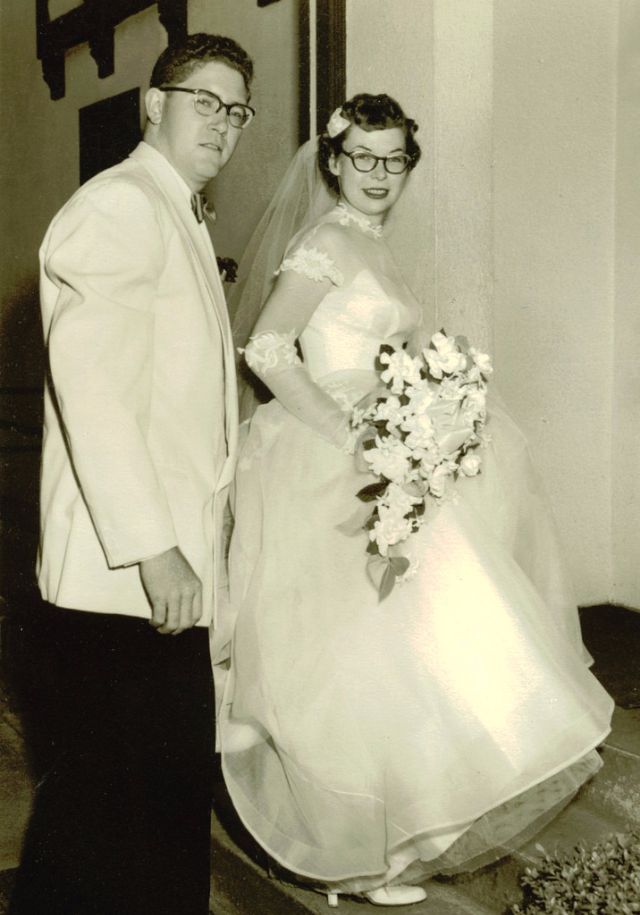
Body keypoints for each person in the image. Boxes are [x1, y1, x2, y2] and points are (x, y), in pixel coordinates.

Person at [218, 94, 614, 908]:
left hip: (383, 450)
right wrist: (349, 430)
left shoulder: (370, 244)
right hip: (324, 450)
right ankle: (358, 852)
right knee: (355, 650)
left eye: (393, 158)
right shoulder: (324, 241)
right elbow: (266, 347)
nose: (377, 174)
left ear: (407, 165)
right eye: (361, 156)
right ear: (332, 162)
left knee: (426, 630)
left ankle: (410, 829)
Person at [10, 33, 254, 915]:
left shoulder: (174, 210)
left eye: (237, 109)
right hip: (127, 581)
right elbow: (97, 394)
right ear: (154, 104)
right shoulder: (118, 206)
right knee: (108, 822)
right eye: (204, 100)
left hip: (163, 576)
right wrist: (157, 548)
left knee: (146, 816)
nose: (222, 123)